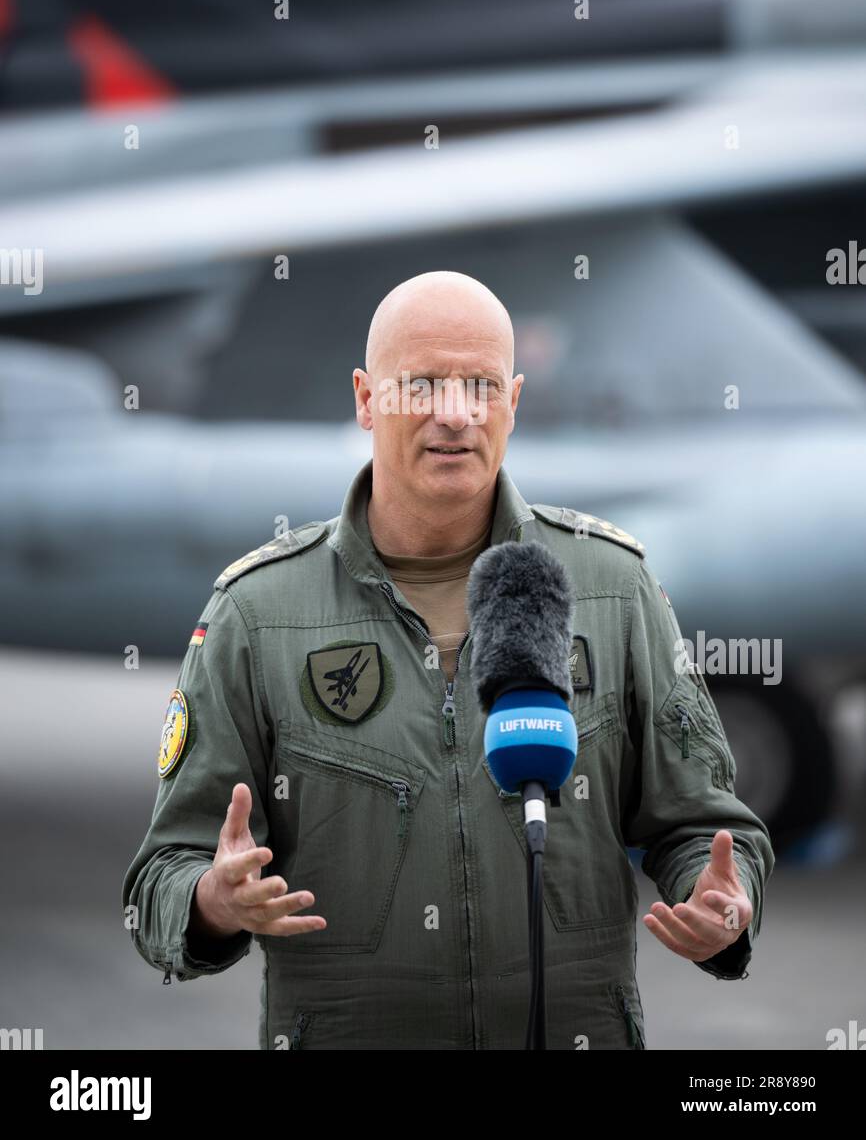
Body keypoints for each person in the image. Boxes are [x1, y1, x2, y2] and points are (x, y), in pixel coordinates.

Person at [122, 270, 774, 1050]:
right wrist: (209, 901)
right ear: (366, 399)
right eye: (422, 384)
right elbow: (162, 874)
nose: (457, 413)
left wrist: (722, 899)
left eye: (482, 385)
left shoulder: (611, 587)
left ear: (513, 402)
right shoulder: (258, 612)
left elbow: (704, 825)